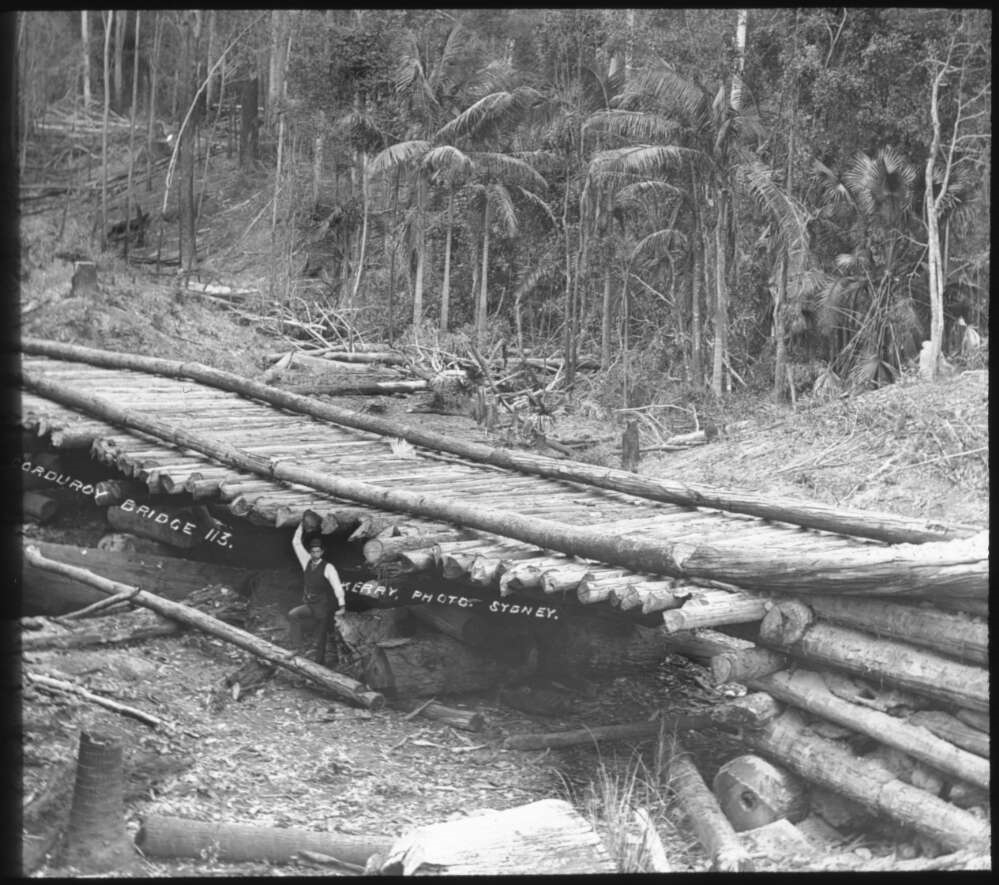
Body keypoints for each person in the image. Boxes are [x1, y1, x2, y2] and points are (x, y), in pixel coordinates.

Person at [288, 519, 346, 666]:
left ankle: (318, 666)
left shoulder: (328, 567)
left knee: (320, 638)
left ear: (322, 552)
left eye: (318, 551)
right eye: (313, 551)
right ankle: (296, 648)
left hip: (323, 607)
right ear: (310, 552)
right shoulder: (306, 561)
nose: (315, 554)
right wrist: (301, 525)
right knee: (293, 614)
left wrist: (342, 605)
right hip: (309, 604)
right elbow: (296, 543)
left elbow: (337, 586)